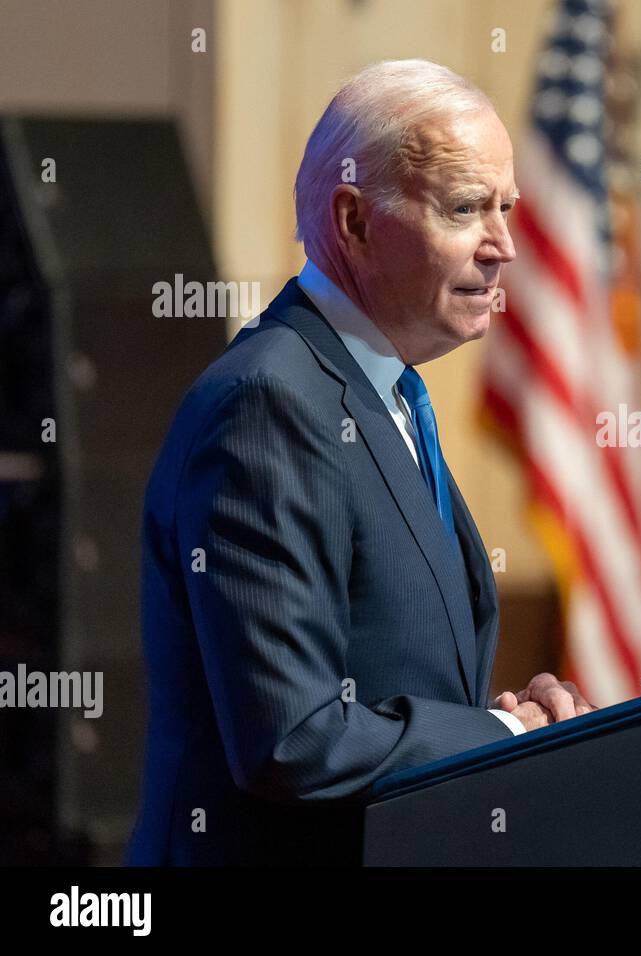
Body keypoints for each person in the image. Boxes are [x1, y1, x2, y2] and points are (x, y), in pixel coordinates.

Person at [126, 60, 593, 866]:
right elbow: (292, 740)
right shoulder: (269, 405)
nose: (505, 247)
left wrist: (502, 732)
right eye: (465, 208)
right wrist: (501, 731)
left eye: (506, 208)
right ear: (353, 222)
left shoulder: (388, 394)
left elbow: (383, 676)